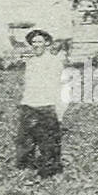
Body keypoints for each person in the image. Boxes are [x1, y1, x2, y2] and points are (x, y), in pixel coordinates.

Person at [16, 28, 68, 178]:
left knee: (49, 141)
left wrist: (59, 110)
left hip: (47, 105)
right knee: (25, 140)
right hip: (29, 104)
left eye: (39, 41)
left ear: (46, 43)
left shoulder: (54, 61)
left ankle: (50, 171)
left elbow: (59, 85)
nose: (36, 44)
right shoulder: (30, 62)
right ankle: (27, 169)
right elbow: (28, 83)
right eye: (33, 42)